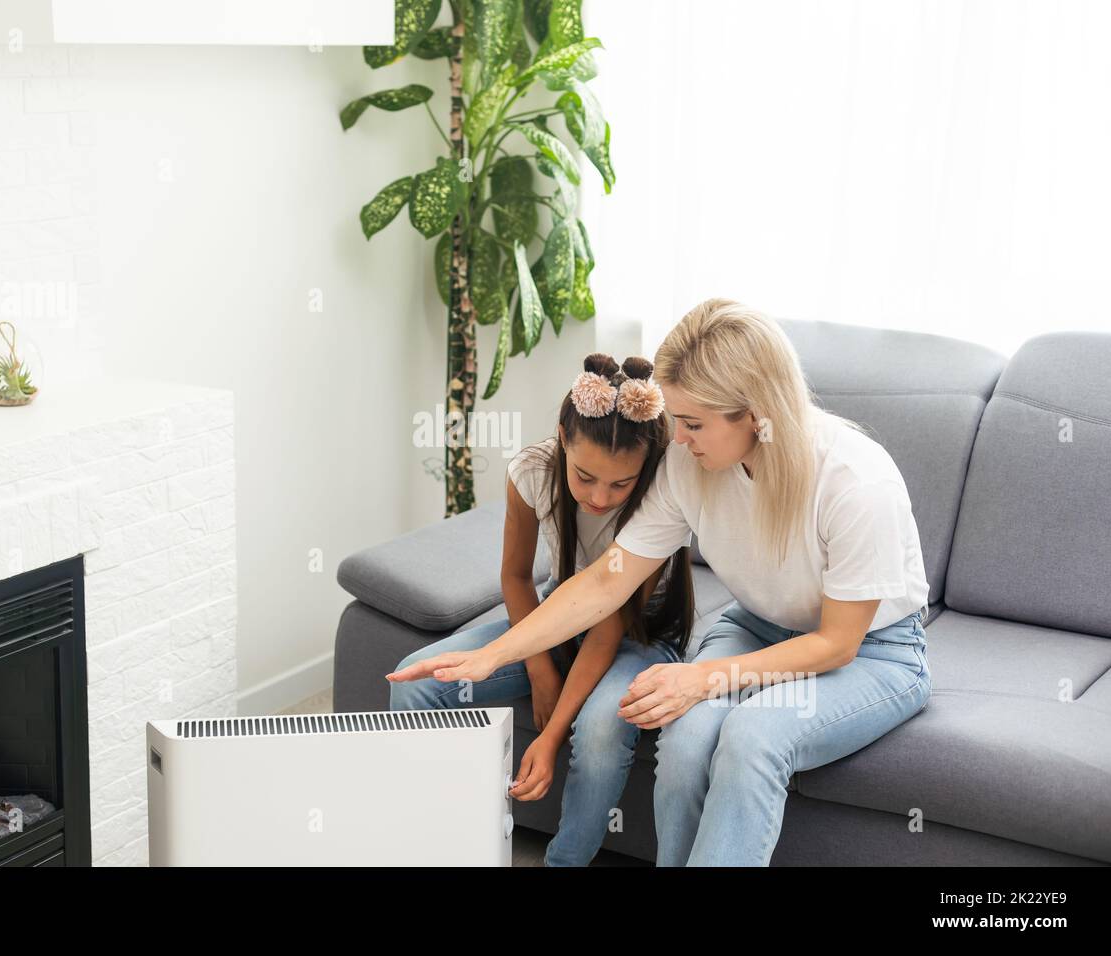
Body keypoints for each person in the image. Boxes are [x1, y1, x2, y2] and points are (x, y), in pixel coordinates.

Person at [389, 298, 932, 866]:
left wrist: (705, 679)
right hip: (755, 628)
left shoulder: (856, 482)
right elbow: (606, 582)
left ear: (754, 412)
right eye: (676, 420)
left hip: (871, 654)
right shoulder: (687, 464)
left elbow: (837, 642)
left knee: (752, 739)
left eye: (693, 424)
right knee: (686, 738)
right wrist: (492, 655)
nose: (677, 439)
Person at [388, 353, 695, 866]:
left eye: (620, 484)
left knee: (598, 729)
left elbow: (607, 621)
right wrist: (539, 667)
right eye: (585, 476)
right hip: (556, 618)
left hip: (636, 637)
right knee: (415, 679)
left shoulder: (662, 492)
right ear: (561, 437)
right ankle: (448, 845)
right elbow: (514, 576)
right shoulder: (531, 470)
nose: (600, 497)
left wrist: (552, 736)